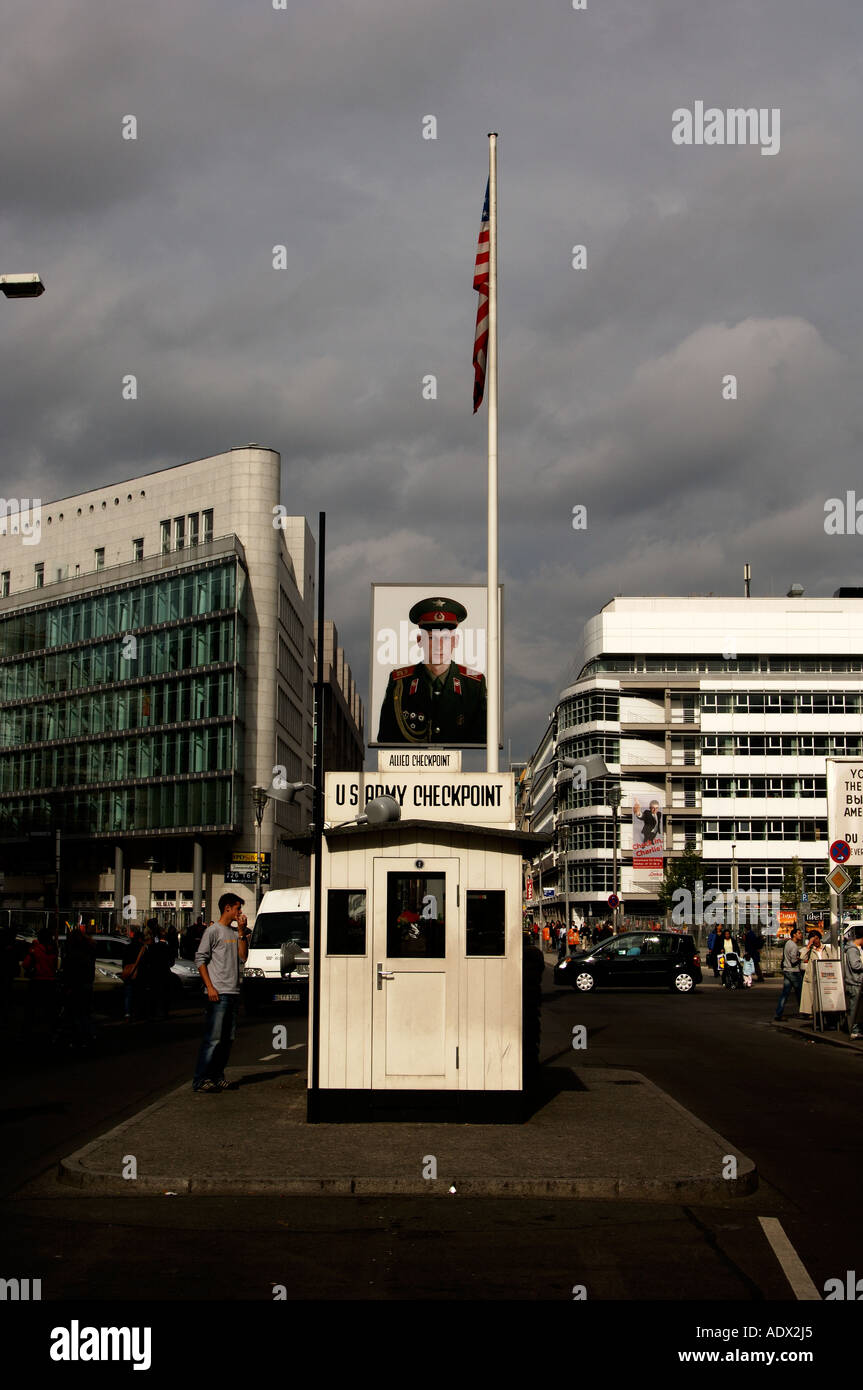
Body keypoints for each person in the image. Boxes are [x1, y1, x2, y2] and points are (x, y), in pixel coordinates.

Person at [377, 596, 487, 745]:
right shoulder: (400, 682)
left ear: (455, 641)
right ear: (419, 640)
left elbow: (482, 742)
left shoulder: (474, 684)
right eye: (430, 638)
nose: (438, 645)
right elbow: (386, 739)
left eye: (446, 638)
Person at [192, 893, 250, 1092]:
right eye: (237, 908)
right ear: (227, 908)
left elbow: (243, 957)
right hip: (219, 992)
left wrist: (241, 932)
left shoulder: (235, 933)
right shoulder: (213, 931)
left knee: (227, 1039)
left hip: (233, 992)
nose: (239, 912)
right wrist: (209, 986)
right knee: (213, 1038)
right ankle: (201, 1079)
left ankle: (217, 1075)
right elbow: (200, 959)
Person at [58, 921, 97, 1046]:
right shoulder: (88, 952)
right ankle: (88, 1035)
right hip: (87, 985)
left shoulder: (72, 955)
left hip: (76, 986)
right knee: (85, 1013)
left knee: (75, 1013)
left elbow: (69, 972)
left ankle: (78, 1037)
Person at [21, 928, 59, 1037]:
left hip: (37, 981)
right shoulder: (53, 950)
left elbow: (25, 964)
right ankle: (51, 1032)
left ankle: (27, 1032)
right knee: (50, 1010)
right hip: (50, 982)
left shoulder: (35, 950)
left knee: (30, 1009)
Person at [773, 927, 804, 1022]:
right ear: (794, 934)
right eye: (799, 933)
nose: (801, 935)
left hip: (787, 970)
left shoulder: (788, 943)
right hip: (793, 971)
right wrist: (800, 958)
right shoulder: (794, 946)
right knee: (800, 993)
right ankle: (804, 1012)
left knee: (785, 994)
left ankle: (778, 1013)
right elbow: (793, 960)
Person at [842, 922, 863, 1040]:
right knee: (855, 1008)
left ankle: (854, 1029)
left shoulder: (852, 949)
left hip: (853, 982)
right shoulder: (853, 950)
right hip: (854, 982)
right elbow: (855, 965)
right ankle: (854, 1031)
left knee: (854, 1008)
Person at [121, 928, 146, 1021]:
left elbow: (124, 960)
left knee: (128, 994)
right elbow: (144, 962)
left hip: (129, 971)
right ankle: (137, 1013)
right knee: (138, 994)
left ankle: (127, 1013)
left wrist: (126, 969)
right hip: (139, 973)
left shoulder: (128, 947)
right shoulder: (142, 948)